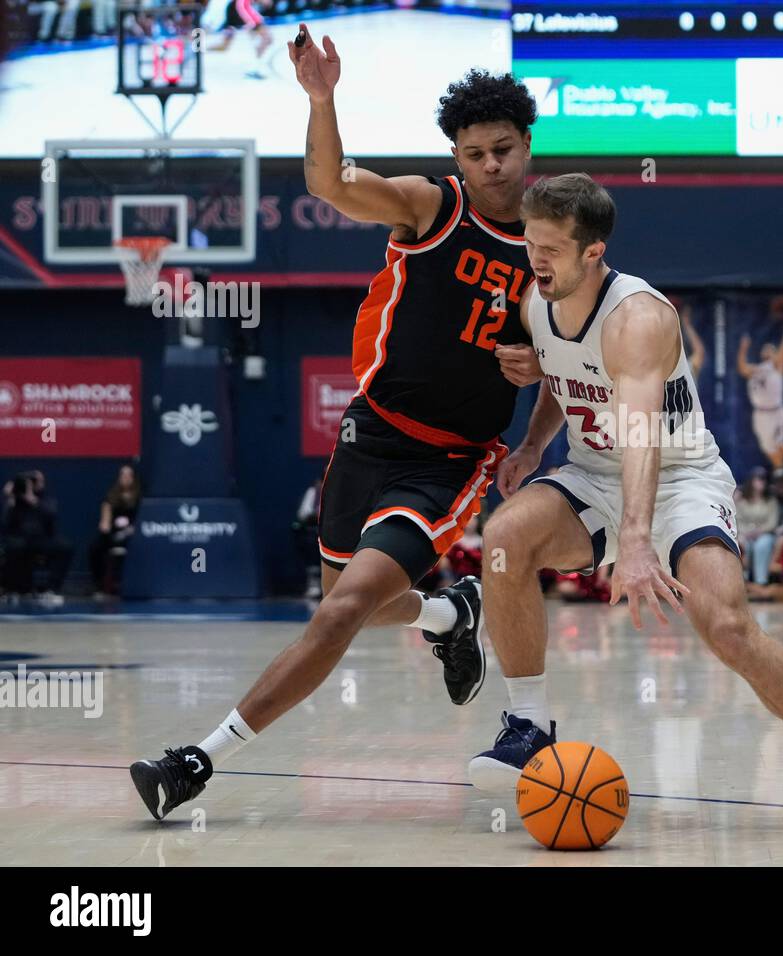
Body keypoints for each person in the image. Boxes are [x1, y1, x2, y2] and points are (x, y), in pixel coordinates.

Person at [129, 53, 546, 821]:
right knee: (352, 607)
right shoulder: (431, 206)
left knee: (337, 614)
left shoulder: (553, 243)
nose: (491, 165)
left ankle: (196, 761)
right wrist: (322, 98)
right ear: (456, 155)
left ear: (529, 145)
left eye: (504, 149)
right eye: (475, 152)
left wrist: (533, 419)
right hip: (368, 433)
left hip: (449, 459)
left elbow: (570, 360)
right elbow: (328, 184)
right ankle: (452, 615)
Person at [469, 173, 783, 835]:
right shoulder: (539, 299)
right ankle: (528, 726)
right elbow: (563, 375)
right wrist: (533, 446)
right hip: (592, 472)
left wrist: (638, 540)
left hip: (678, 477)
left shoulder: (641, 318)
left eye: (551, 248)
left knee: (726, 627)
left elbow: (642, 435)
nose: (535, 259)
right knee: (504, 540)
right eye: (530, 244)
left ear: (594, 251)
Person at [2, 473, 73, 603]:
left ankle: (51, 590)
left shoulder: (46, 499)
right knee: (12, 547)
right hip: (19, 540)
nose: (39, 483)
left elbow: (50, 515)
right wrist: (10, 498)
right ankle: (11, 590)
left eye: (40, 481)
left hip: (41, 539)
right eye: (35, 481)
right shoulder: (14, 501)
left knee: (65, 547)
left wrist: (31, 499)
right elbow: (6, 524)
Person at [737, 314, 783, 469]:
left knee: (779, 447)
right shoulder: (755, 369)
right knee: (768, 448)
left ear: (776, 354)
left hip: (774, 412)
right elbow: (742, 368)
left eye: (771, 349)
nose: (768, 350)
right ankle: (782, 472)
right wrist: (743, 348)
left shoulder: (776, 366)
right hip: (759, 413)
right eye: (766, 348)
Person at [89, 464, 142, 597]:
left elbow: (141, 519)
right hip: (113, 533)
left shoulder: (139, 497)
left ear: (133, 478)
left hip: (132, 534)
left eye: (128, 475)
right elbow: (105, 518)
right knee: (94, 549)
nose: (125, 478)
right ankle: (100, 587)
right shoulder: (112, 495)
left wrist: (132, 528)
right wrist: (105, 522)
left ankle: (124, 586)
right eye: (122, 475)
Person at [733, 468, 778, 588]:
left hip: (764, 534)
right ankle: (743, 582)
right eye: (758, 478)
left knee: (762, 545)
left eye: (764, 479)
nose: (761, 482)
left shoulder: (771, 501)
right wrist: (747, 532)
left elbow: (772, 522)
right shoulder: (742, 501)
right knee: (741, 544)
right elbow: (737, 519)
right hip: (745, 533)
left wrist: (759, 531)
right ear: (751, 481)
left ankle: (761, 581)